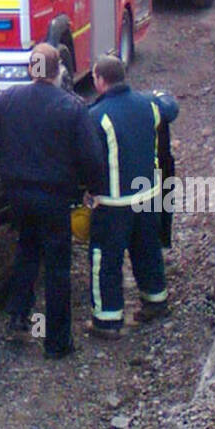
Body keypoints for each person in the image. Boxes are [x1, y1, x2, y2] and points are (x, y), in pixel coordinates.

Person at [0, 43, 106, 359]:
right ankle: (56, 342)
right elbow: (91, 157)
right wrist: (94, 188)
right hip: (54, 197)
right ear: (59, 70)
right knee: (58, 266)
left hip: (18, 196)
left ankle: (19, 321)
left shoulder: (9, 99)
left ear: (30, 69)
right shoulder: (72, 107)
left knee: (26, 251)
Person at [86, 54, 179, 338]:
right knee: (147, 250)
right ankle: (156, 301)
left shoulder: (96, 116)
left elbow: (88, 158)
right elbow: (170, 107)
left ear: (100, 81)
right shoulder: (148, 105)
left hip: (113, 204)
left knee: (106, 262)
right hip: (148, 196)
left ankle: (107, 321)